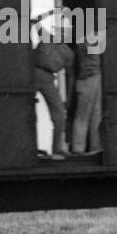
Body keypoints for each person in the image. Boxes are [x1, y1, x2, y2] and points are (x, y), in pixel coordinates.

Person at [32, 27, 74, 159]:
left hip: (48, 78)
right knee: (26, 111)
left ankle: (57, 149)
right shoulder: (46, 37)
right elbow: (35, 24)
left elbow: (70, 75)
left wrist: (69, 97)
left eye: (65, 32)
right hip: (32, 73)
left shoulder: (68, 53)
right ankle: (30, 148)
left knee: (60, 113)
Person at [70, 27, 104, 154]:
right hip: (88, 78)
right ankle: (79, 148)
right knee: (84, 116)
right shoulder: (85, 42)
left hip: (92, 78)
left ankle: (94, 147)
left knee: (94, 115)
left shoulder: (83, 41)